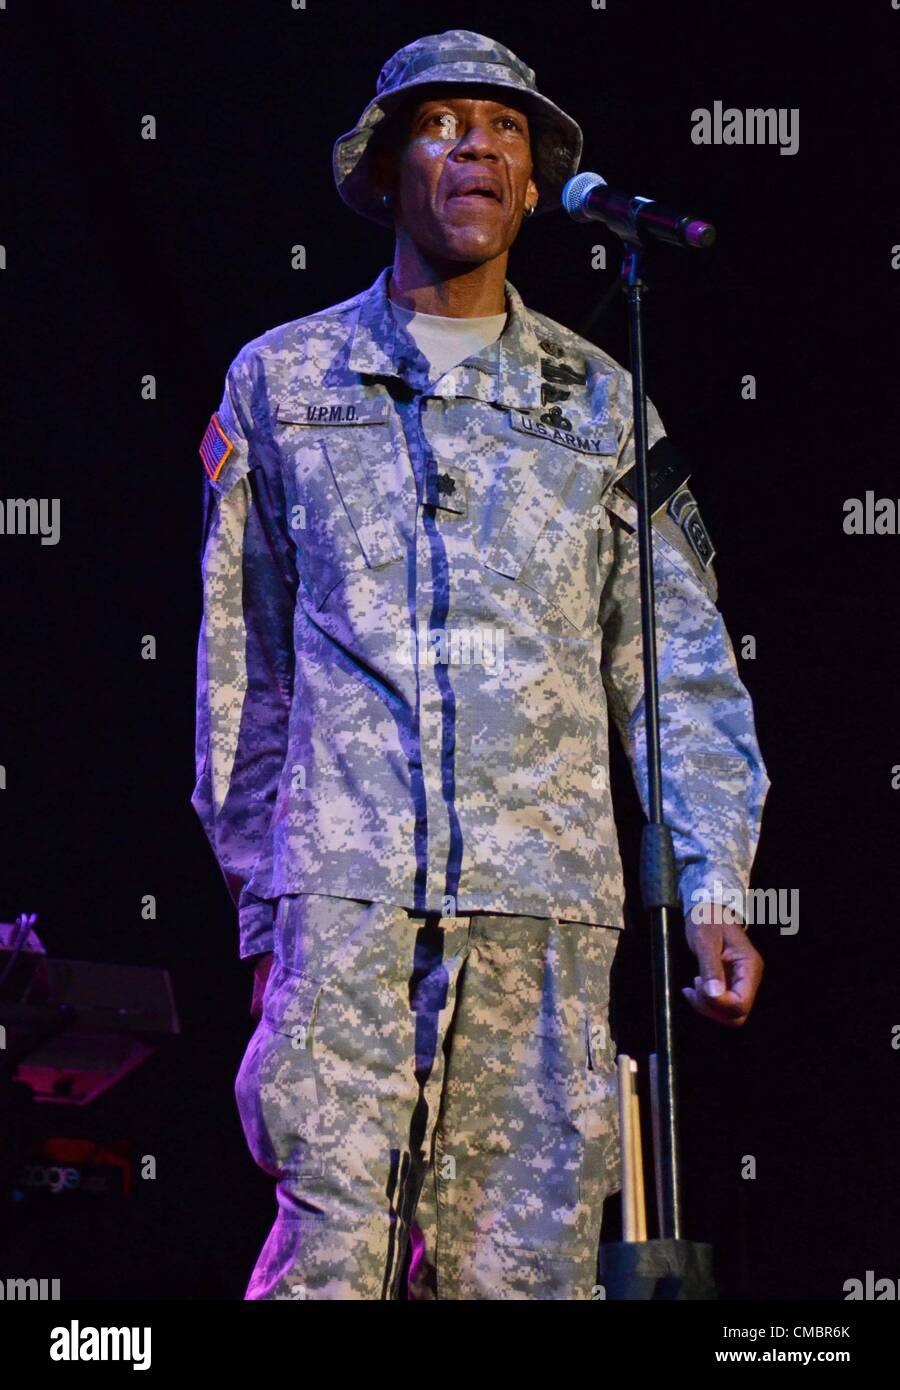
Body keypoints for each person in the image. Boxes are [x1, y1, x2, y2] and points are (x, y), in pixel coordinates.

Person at [191, 29, 770, 1301]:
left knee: (524, 1276)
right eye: (445, 122)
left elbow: (676, 660)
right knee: (328, 1266)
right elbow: (247, 671)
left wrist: (713, 879)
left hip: (543, 915)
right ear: (390, 163)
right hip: (343, 904)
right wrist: (261, 910)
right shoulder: (285, 380)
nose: (478, 147)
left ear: (531, 175)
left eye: (504, 127)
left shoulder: (600, 396)